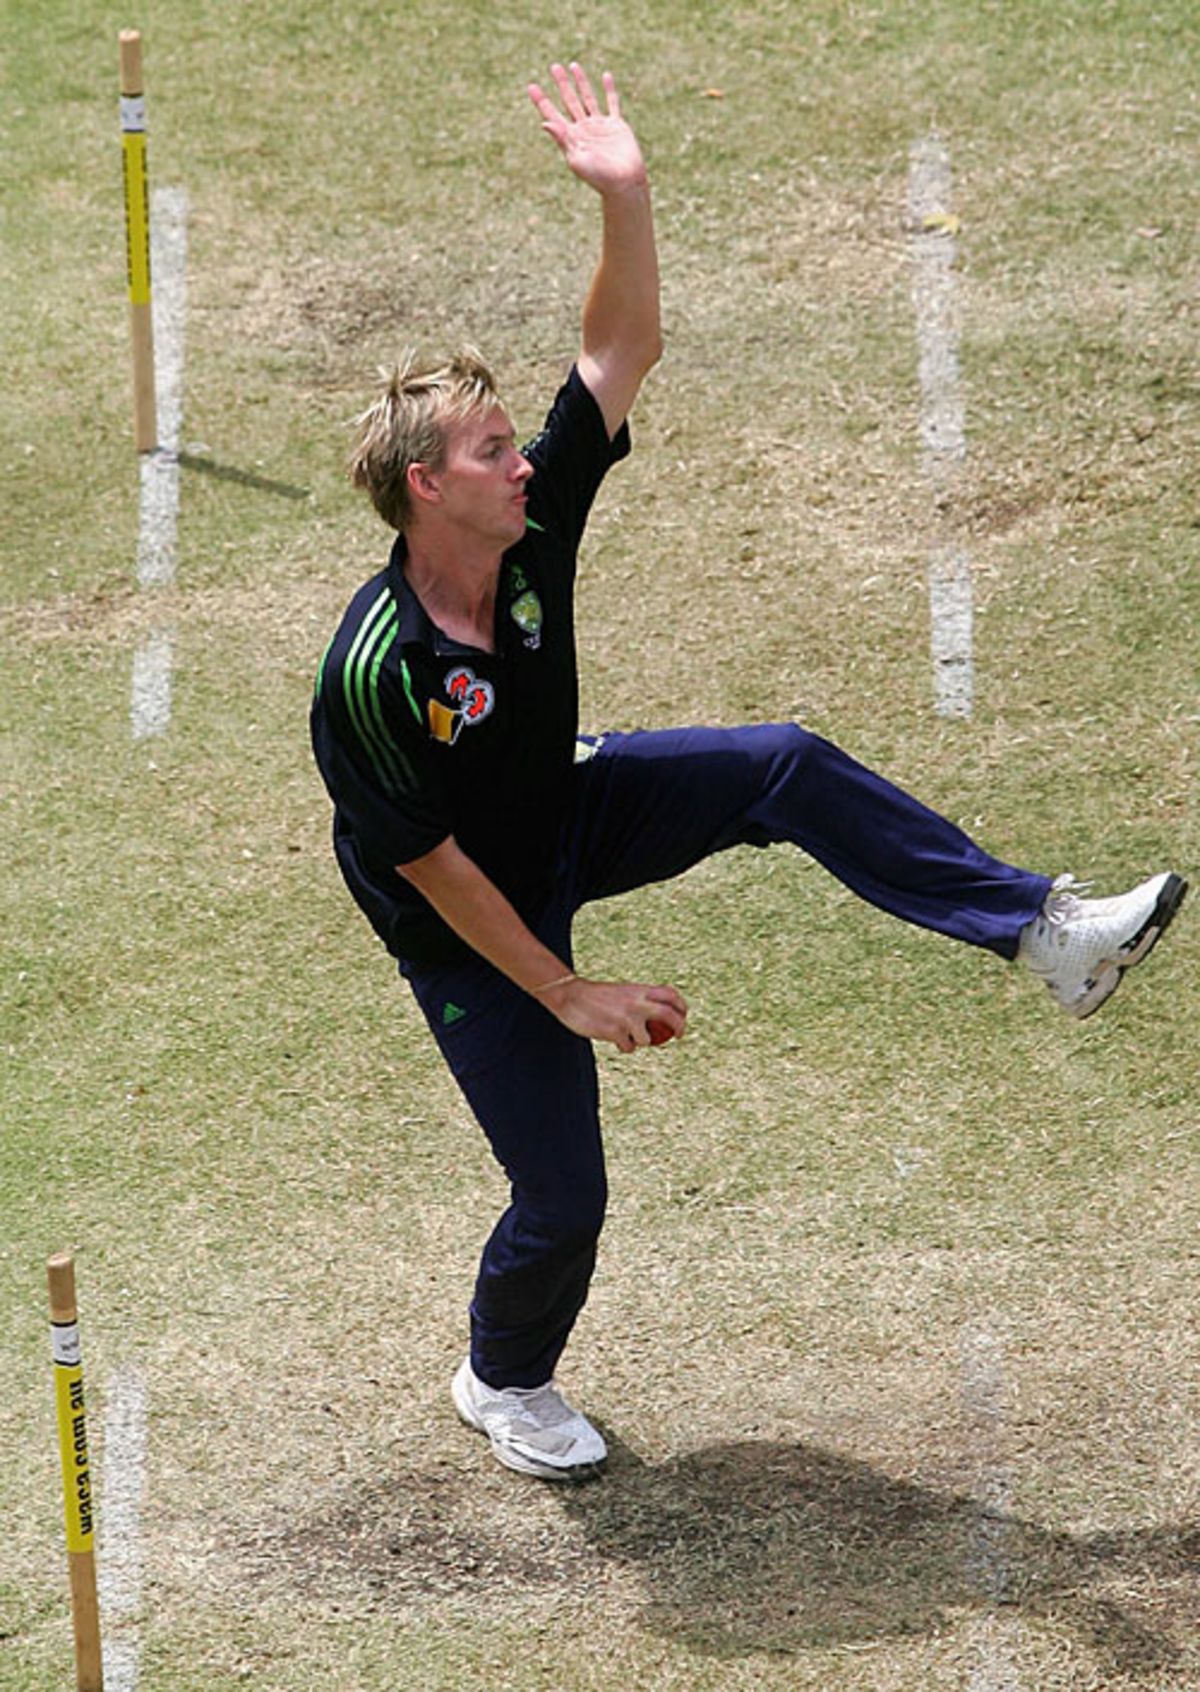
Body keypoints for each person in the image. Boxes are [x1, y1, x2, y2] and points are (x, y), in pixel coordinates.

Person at [310, 63, 1187, 1482]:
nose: (519, 464)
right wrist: (566, 988)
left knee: (781, 764)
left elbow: (620, 351)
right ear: (427, 487)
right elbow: (431, 863)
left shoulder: (525, 536)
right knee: (562, 1191)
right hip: (464, 913)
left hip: (565, 805)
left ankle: (1043, 934)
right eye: (490, 453)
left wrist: (627, 193)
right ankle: (503, 1379)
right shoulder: (376, 669)